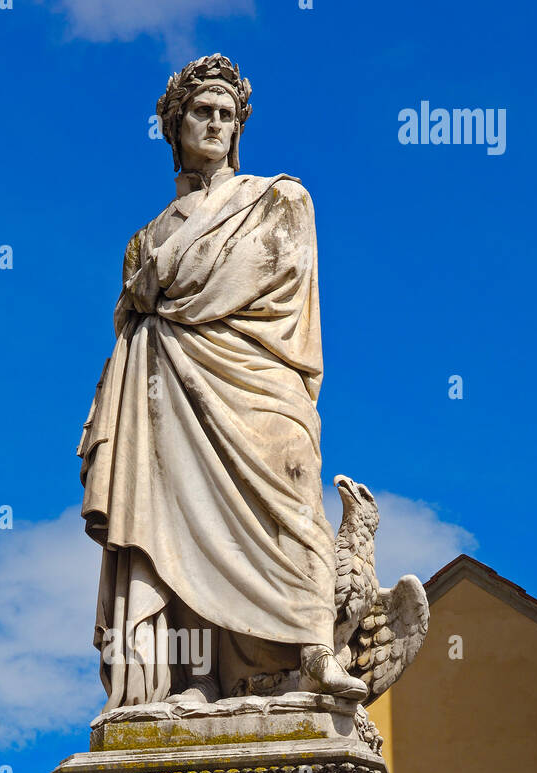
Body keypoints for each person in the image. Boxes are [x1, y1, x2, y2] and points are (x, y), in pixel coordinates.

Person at [79, 53, 367, 710]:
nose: (213, 124)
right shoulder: (145, 238)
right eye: (199, 113)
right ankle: (198, 679)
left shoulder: (278, 198)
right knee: (175, 521)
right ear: (174, 128)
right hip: (167, 390)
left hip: (262, 378)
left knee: (293, 502)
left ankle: (312, 654)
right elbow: (130, 325)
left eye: (224, 114)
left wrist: (176, 302)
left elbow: (283, 283)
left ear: (239, 127)